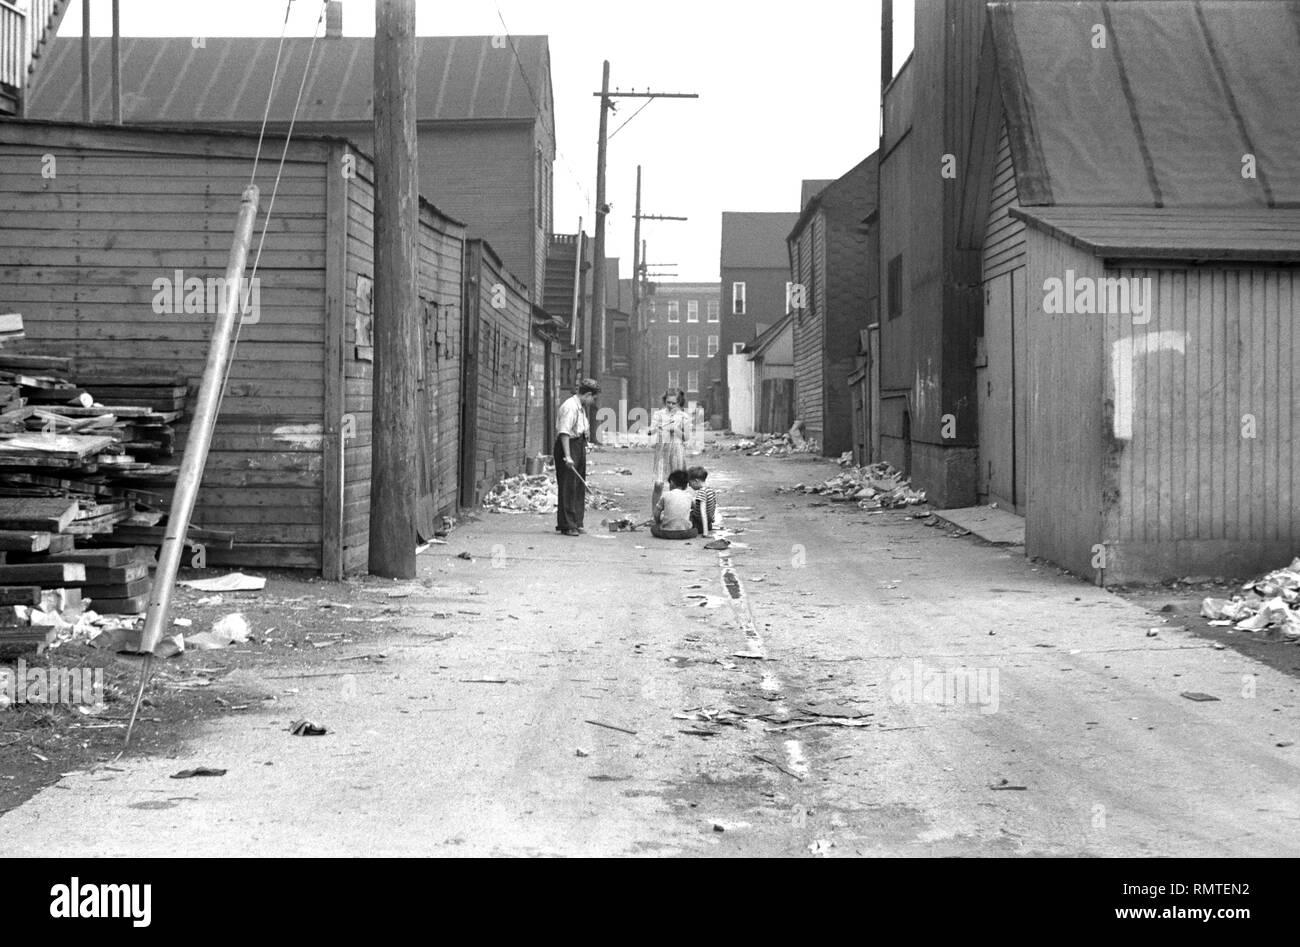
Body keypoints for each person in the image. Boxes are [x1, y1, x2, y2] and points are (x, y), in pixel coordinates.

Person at [555, 378, 600, 536]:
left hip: (579, 445)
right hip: (568, 445)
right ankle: (567, 524)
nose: (593, 402)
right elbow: (564, 432)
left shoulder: (581, 407)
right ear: (587, 394)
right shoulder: (570, 407)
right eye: (593, 398)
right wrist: (567, 456)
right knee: (568, 486)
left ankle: (577, 521)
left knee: (578, 486)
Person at [650, 388, 688, 517]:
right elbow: (652, 430)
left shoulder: (683, 416)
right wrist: (653, 429)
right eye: (668, 402)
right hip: (662, 449)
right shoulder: (658, 414)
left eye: (674, 403)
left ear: (678, 403)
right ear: (664, 401)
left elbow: (686, 437)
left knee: (675, 484)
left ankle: (672, 514)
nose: (670, 405)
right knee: (658, 483)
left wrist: (675, 429)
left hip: (677, 450)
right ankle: (654, 515)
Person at [651, 469, 697, 540]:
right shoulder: (689, 496)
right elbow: (696, 509)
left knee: (653, 529)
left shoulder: (665, 495)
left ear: (672, 483)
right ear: (686, 485)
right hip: (686, 533)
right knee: (695, 529)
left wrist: (658, 522)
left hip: (668, 532)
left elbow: (656, 513)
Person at [687, 465, 718, 538]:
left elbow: (703, 513)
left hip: (698, 524)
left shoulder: (702, 492)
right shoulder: (710, 490)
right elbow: (713, 506)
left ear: (696, 481)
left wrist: (705, 533)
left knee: (683, 516)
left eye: (689, 483)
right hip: (708, 523)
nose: (689, 486)